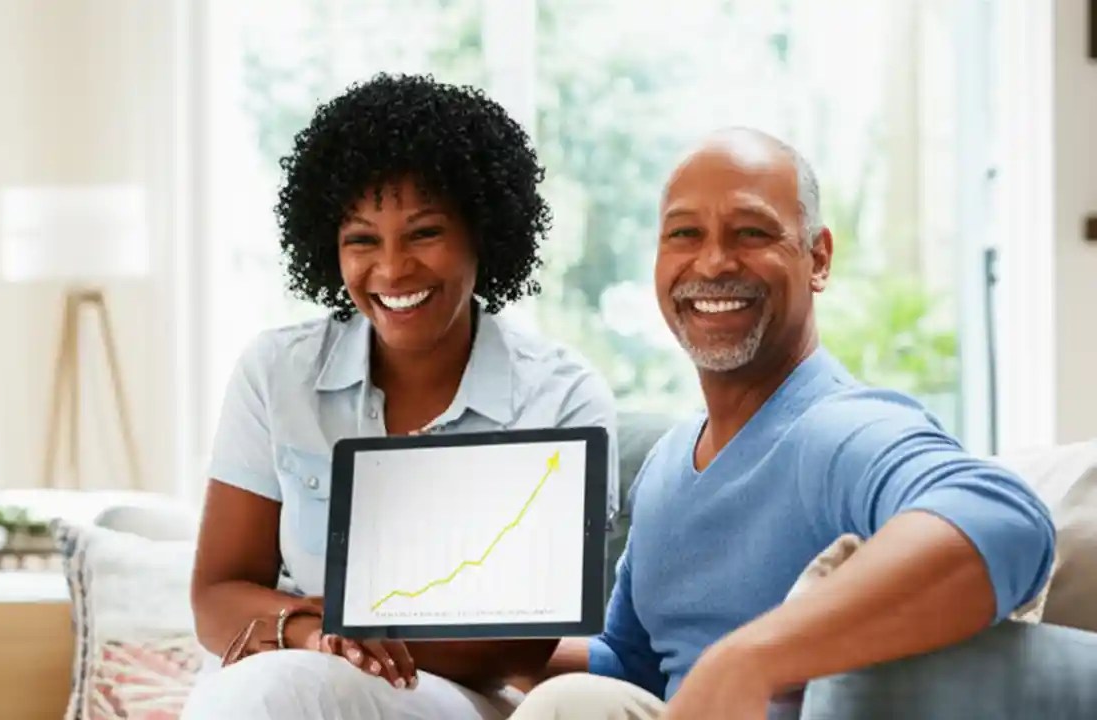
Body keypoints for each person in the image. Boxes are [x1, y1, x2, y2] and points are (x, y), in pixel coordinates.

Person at [508, 128, 1060, 720]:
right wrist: (461, 648)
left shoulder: (843, 429)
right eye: (685, 234)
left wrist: (751, 658)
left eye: (751, 232)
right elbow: (631, 663)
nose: (714, 261)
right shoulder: (669, 462)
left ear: (817, 258)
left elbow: (1007, 520)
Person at [181, 73, 617, 720]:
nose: (391, 270)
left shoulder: (561, 398)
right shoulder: (276, 373)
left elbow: (523, 643)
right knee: (266, 692)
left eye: (424, 233)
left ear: (483, 232)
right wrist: (314, 631)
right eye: (361, 239)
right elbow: (217, 597)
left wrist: (346, 634)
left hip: (460, 697)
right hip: (289, 667)